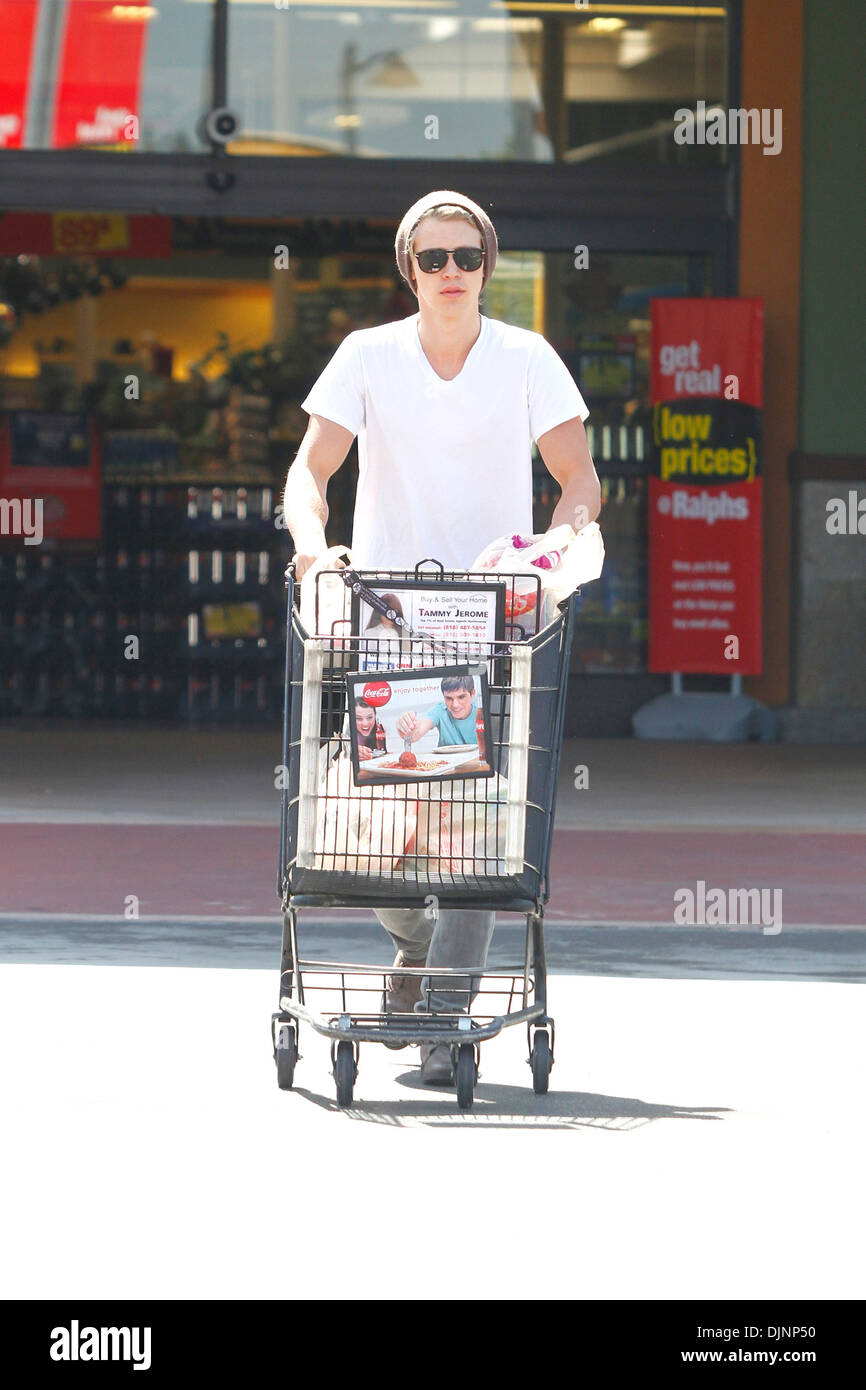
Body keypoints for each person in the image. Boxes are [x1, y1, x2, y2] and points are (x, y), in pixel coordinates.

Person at [283, 188, 600, 1085]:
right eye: (434, 259)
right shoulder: (367, 356)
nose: (452, 273)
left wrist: (556, 548)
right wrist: (315, 554)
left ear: (488, 267)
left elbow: (578, 478)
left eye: (467, 257)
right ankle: (417, 947)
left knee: (482, 833)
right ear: (409, 269)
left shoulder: (528, 358)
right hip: (385, 622)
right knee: (375, 830)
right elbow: (311, 469)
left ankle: (441, 1018)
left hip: (496, 626)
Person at [397, 676, 477, 747]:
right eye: (449, 698)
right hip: (447, 762)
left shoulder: (482, 715)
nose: (455, 705)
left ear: (472, 693)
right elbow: (420, 729)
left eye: (461, 697)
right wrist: (408, 729)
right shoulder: (440, 710)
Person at [353, 697, 384, 761]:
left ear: (375, 715)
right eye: (359, 718)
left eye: (369, 717)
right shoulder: (348, 734)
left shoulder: (380, 729)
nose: (365, 723)